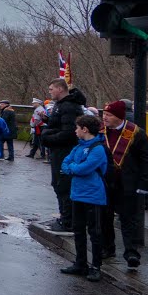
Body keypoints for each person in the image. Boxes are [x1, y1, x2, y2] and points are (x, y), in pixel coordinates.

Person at [99, 100, 148, 268]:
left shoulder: (136, 133)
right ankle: (108, 247)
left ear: (119, 117)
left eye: (109, 115)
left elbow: (146, 160)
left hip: (128, 183)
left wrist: (144, 183)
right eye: (104, 114)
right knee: (105, 217)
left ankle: (131, 252)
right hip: (106, 182)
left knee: (128, 219)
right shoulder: (101, 132)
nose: (104, 118)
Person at [59, 114, 108, 282]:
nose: (75, 131)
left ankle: (96, 266)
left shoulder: (98, 149)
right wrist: (73, 167)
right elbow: (65, 162)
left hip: (93, 196)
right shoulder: (78, 147)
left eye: (77, 128)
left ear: (85, 129)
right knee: (78, 230)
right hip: (77, 193)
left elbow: (83, 169)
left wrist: (72, 168)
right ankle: (80, 263)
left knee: (95, 232)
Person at [40, 79, 88, 232]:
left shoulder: (67, 106)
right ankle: (65, 217)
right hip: (59, 150)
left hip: (64, 151)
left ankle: (68, 222)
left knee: (63, 185)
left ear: (60, 89)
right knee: (59, 184)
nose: (50, 92)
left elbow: (68, 133)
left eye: (51, 89)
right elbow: (60, 125)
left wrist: (47, 137)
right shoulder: (62, 106)